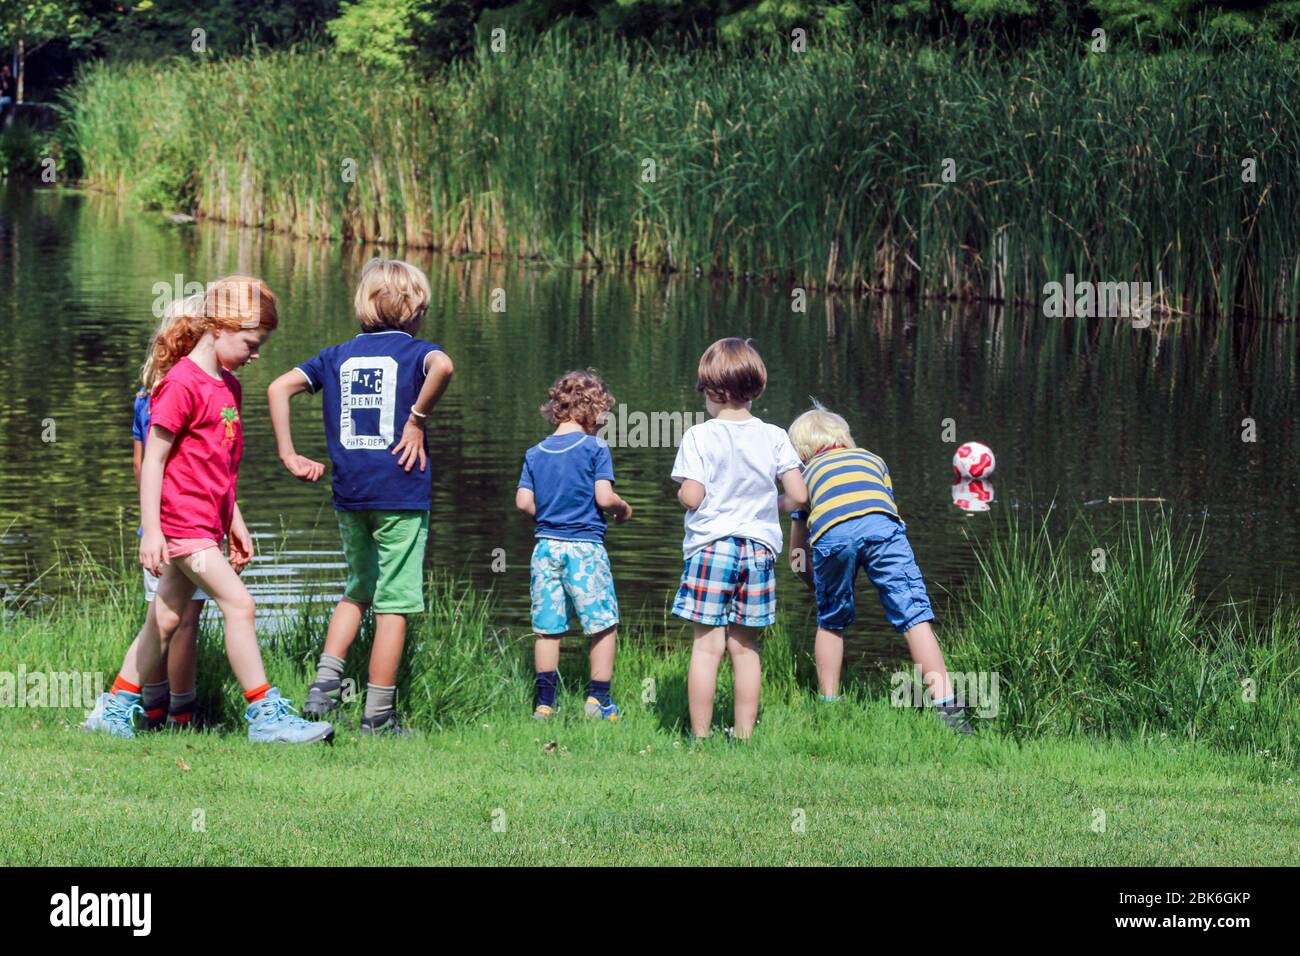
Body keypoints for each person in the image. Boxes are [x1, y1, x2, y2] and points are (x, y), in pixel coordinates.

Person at [84, 276, 334, 743]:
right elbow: (154, 460)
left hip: (207, 525)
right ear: (218, 327)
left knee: (165, 619)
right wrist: (154, 531)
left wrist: (234, 522)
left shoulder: (229, 388)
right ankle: (265, 713)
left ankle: (114, 706)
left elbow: (219, 469)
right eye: (250, 343)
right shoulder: (179, 384)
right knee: (240, 603)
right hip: (182, 527)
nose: (256, 354)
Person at [268, 258, 454, 735]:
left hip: (350, 493)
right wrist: (416, 420)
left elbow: (278, 387)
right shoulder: (418, 354)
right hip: (401, 493)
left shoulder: (336, 356)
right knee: (395, 601)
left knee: (358, 590)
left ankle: (323, 691)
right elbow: (445, 366)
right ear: (417, 310)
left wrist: (289, 454)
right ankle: (378, 715)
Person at [785, 403, 972, 733]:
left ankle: (829, 708)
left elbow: (797, 552)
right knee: (914, 616)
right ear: (844, 437)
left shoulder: (805, 476)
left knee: (831, 620)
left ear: (801, 451)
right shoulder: (873, 460)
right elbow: (882, 507)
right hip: (883, 528)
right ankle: (949, 711)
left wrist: (813, 582)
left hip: (832, 534)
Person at [670, 337, 806, 739]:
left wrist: (680, 492)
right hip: (758, 551)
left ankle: (701, 735)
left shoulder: (700, 436)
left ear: (711, 391)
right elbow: (799, 495)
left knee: (706, 647)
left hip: (712, 548)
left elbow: (692, 496)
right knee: (746, 649)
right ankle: (744, 735)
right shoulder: (775, 436)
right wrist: (774, 507)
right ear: (756, 389)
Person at [515, 370, 632, 720]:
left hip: (545, 548)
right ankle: (599, 701)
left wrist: (549, 513)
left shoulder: (535, 453)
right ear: (594, 410)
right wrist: (623, 509)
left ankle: (545, 704)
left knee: (548, 628)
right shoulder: (595, 448)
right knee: (602, 623)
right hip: (585, 548)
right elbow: (603, 496)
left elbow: (522, 502)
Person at [131, 292, 209, 729]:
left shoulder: (146, 396)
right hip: (190, 526)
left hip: (154, 529)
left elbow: (142, 467)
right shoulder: (193, 394)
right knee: (185, 625)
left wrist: (151, 524)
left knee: (158, 619)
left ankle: (152, 707)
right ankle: (183, 713)